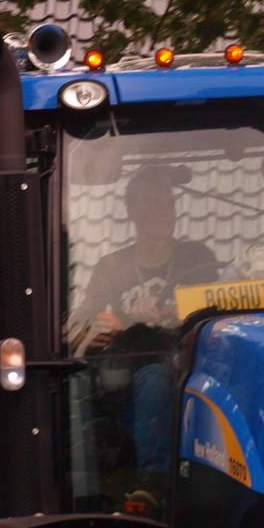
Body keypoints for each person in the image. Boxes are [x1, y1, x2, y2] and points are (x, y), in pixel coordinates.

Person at [70, 169, 219, 502]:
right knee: (151, 379)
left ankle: (155, 483)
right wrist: (93, 330)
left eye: (167, 202)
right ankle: (154, 483)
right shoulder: (112, 267)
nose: (163, 211)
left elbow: (218, 309)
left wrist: (170, 318)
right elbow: (81, 323)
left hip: (190, 366)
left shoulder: (199, 258)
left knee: (160, 379)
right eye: (151, 203)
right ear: (132, 211)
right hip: (129, 374)